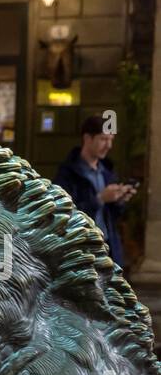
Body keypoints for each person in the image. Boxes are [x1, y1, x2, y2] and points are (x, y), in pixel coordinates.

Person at [54, 115, 137, 268]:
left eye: (111, 139)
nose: (109, 145)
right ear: (87, 138)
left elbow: (112, 216)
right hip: (79, 247)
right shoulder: (68, 173)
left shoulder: (107, 172)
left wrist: (120, 200)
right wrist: (100, 199)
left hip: (107, 246)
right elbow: (62, 213)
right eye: (103, 139)